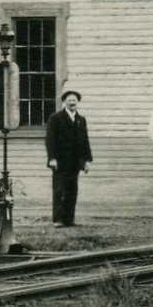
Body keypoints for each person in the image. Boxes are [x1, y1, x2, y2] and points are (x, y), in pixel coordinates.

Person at [44, 88, 92, 227]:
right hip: (59, 161)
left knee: (72, 190)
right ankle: (58, 219)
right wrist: (52, 158)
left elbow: (85, 141)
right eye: (69, 100)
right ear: (64, 102)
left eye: (74, 100)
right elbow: (50, 140)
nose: (72, 102)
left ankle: (69, 219)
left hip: (75, 162)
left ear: (77, 102)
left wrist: (87, 160)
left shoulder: (81, 120)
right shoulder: (55, 118)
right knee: (59, 190)